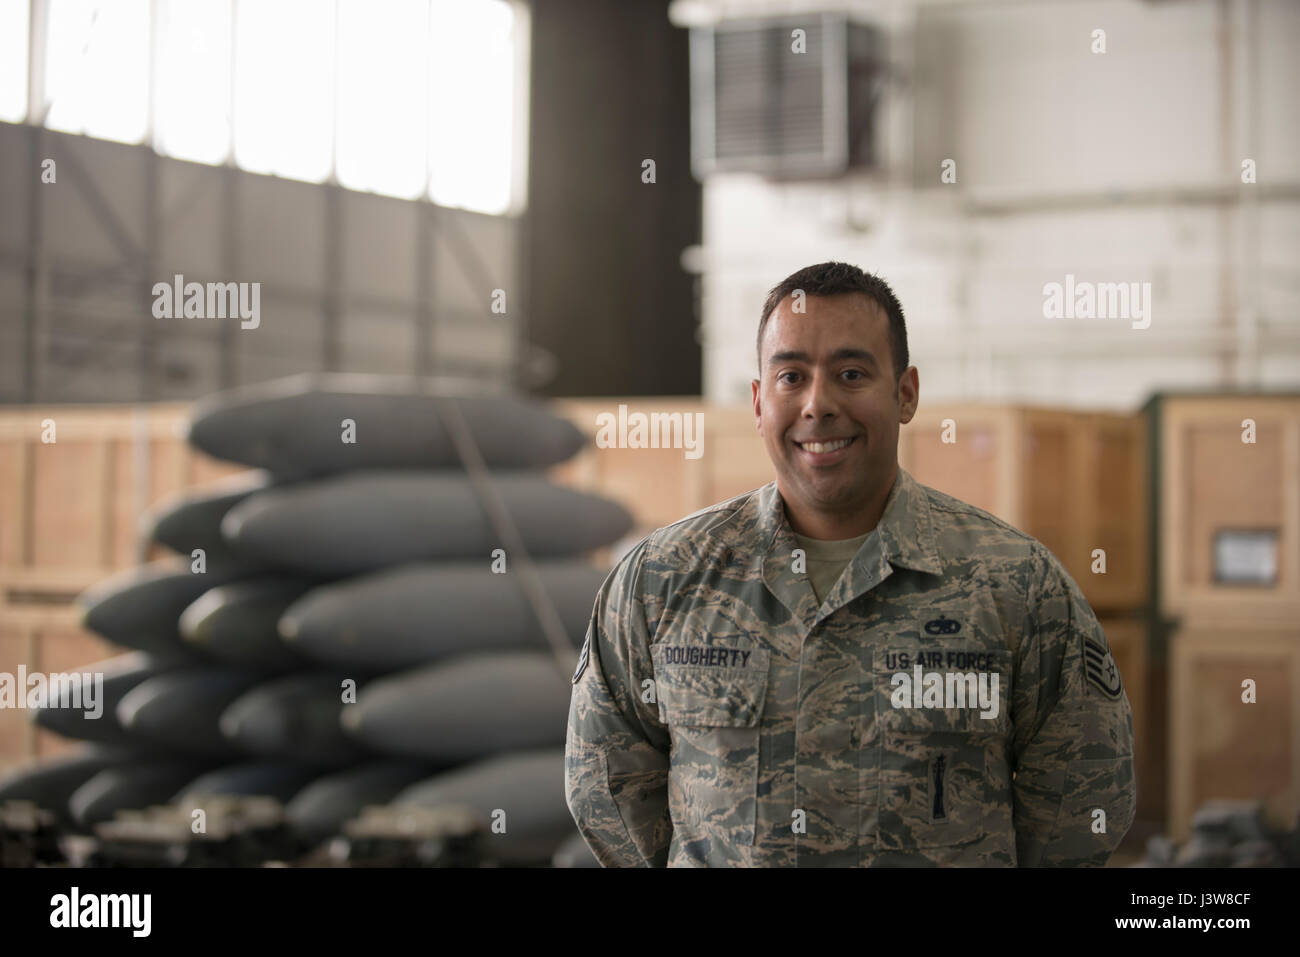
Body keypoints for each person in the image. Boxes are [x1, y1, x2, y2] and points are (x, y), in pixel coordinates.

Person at [565, 261, 1136, 867]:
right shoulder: (663, 580)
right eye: (791, 376)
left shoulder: (1015, 583)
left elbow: (1082, 793)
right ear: (759, 402)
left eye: (851, 373)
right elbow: (608, 785)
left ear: (906, 393)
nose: (818, 404)